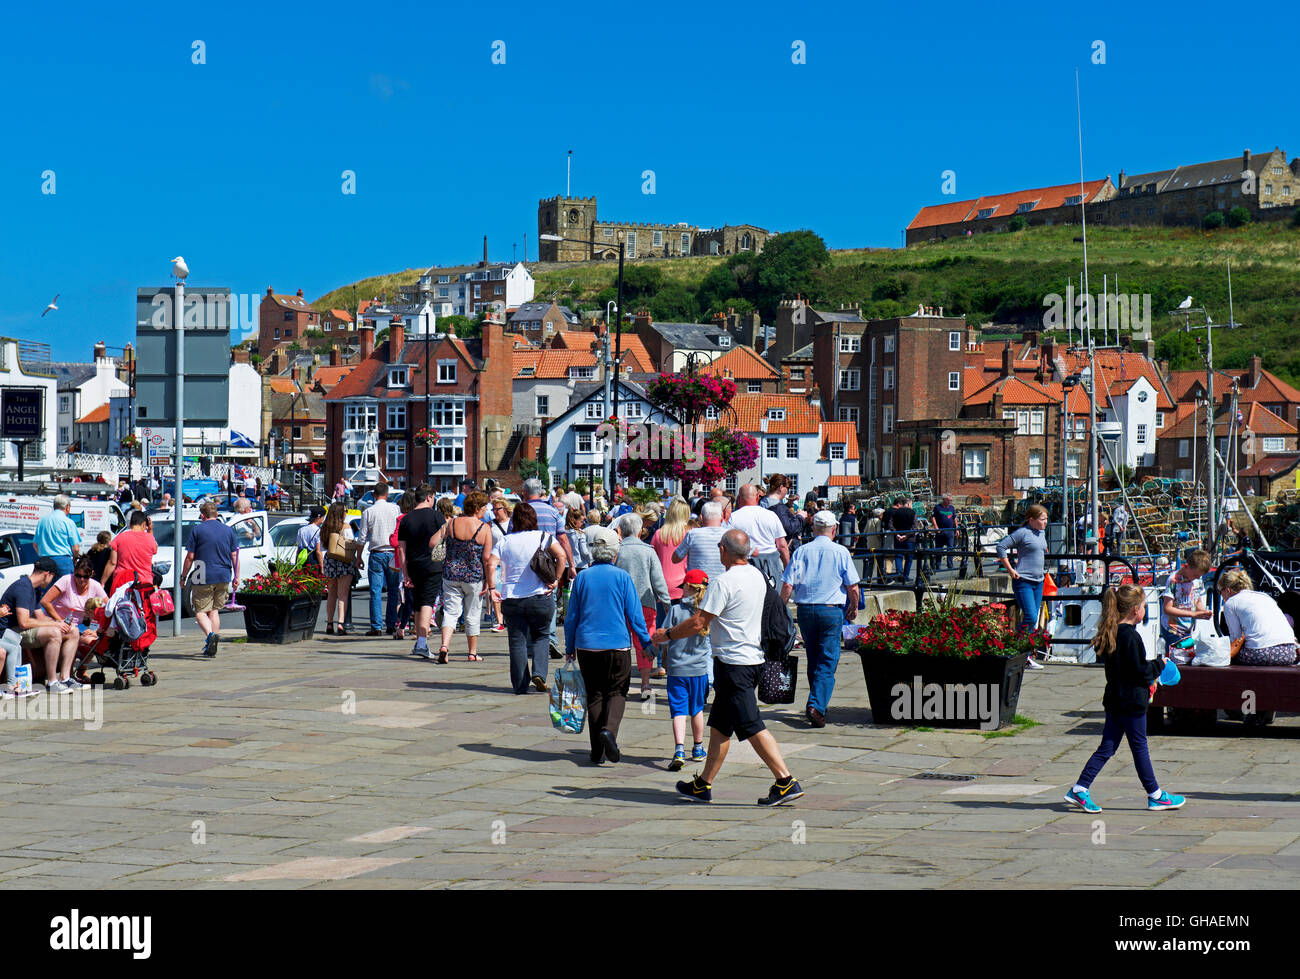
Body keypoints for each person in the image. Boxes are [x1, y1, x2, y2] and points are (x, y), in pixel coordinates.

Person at [655, 529, 804, 806]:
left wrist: (668, 634)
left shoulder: (724, 582)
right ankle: (703, 785)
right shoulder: (757, 575)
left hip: (735, 665)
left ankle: (785, 781)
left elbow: (699, 622)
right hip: (750, 660)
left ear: (723, 550)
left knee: (751, 724)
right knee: (721, 726)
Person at [1064, 584, 1185, 813]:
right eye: (1144, 607)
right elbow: (1140, 671)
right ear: (1135, 610)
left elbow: (1127, 667)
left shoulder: (1112, 632)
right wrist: (1160, 664)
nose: (1144, 611)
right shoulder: (1131, 636)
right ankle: (1155, 795)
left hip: (1115, 700)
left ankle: (1080, 788)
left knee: (1107, 747)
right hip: (1131, 702)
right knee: (1139, 748)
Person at [563, 526, 652, 763]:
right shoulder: (622, 577)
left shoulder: (582, 578)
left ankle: (597, 752)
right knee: (617, 691)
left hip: (587, 645)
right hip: (617, 645)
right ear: (614, 553)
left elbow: (571, 617)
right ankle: (609, 731)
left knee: (594, 694)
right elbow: (635, 616)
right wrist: (646, 642)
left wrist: (569, 647)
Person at [781, 510, 861, 727]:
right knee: (828, 659)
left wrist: (780, 609)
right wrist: (853, 607)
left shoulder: (801, 551)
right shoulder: (841, 552)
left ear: (814, 528)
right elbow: (853, 586)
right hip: (830, 609)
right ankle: (816, 705)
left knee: (813, 657)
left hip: (806, 610)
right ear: (834, 529)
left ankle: (816, 702)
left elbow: (788, 584)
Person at [485, 502, 566, 694]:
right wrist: (556, 580)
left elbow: (490, 563)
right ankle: (539, 673)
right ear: (534, 519)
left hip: (512, 598)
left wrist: (492, 587)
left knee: (517, 641)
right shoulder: (543, 537)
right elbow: (561, 556)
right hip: (540, 596)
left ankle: (521, 684)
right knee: (542, 636)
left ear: (515, 520)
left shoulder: (505, 541)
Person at [656, 568, 711, 771]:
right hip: (699, 670)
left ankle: (679, 749)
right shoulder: (706, 614)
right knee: (697, 710)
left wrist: (654, 647)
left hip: (677, 669)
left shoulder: (675, 610)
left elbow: (663, 638)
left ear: (687, 587)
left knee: (679, 711)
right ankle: (698, 747)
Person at [1, 557, 80, 693]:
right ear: (47, 574)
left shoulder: (34, 589)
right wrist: (55, 626)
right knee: (53, 633)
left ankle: (65, 678)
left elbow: (40, 617)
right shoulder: (23, 588)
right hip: (9, 633)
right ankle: (52, 682)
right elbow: (24, 622)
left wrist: (59, 623)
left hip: (20, 629)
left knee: (73, 631)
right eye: (52, 577)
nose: (51, 581)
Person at [615, 514, 670, 701]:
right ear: (640, 531)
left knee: (621, 644)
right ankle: (645, 684)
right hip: (645, 602)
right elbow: (658, 581)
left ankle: (620, 683)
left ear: (621, 531)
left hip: (621, 604)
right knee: (644, 643)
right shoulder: (648, 551)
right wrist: (667, 603)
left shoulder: (617, 550)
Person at [433, 491, 493, 662]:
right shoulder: (484, 528)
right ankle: (472, 653)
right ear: (477, 508)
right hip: (474, 577)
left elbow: (432, 542)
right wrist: (489, 581)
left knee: (451, 612)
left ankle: (444, 646)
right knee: (472, 614)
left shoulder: (451, 523)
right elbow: (486, 558)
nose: (485, 510)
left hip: (451, 574)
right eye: (484, 507)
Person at [996, 503, 1049, 670]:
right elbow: (1001, 546)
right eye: (1042, 519)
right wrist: (1010, 570)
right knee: (1031, 617)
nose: (1045, 522)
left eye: (1046, 519)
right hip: (1023, 580)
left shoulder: (1041, 532)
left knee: (1033, 621)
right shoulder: (1022, 532)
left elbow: (1038, 549)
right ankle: (1015, 650)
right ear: (1031, 520)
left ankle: (1025, 656)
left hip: (1038, 581)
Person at [182, 501, 239, 657]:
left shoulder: (197, 530)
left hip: (202, 572)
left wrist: (183, 576)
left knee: (200, 611)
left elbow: (190, 557)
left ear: (202, 515)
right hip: (223, 573)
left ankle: (210, 636)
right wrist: (236, 576)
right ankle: (212, 645)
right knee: (214, 610)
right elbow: (234, 555)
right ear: (216, 514)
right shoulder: (228, 530)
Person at [397, 485, 446, 658]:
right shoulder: (436, 516)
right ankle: (422, 643)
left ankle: (419, 642)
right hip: (433, 565)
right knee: (427, 602)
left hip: (413, 565)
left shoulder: (406, 519)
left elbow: (401, 549)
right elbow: (444, 539)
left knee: (418, 603)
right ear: (428, 497)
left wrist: (405, 573)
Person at [1217, 569, 1299, 665]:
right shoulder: (1265, 596)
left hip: (1261, 654)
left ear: (1227, 590)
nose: (1221, 596)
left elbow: (1236, 639)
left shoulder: (1231, 603)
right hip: (1288, 653)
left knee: (1226, 656)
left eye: (1220, 592)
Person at [724, 484, 790, 586]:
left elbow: (728, 544)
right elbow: (782, 546)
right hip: (771, 563)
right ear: (757, 497)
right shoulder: (771, 515)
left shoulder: (733, 517)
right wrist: (787, 569)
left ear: (739, 498)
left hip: (745, 564)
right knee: (773, 594)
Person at [358, 482, 401, 637]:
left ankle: (376, 626)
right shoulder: (395, 509)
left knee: (375, 591)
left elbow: (362, 538)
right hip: (393, 553)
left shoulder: (368, 512)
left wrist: (358, 557)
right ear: (387, 494)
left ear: (374, 495)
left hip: (376, 553)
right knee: (393, 591)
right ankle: (391, 624)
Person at [1159, 548, 1213, 655]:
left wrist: (1203, 612)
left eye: (1199, 576)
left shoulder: (1197, 580)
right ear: (1187, 566)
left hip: (1188, 629)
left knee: (1187, 657)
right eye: (1195, 575)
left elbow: (1197, 601)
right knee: (1176, 659)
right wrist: (1193, 614)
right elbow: (1167, 608)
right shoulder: (1173, 580)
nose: (1196, 578)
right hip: (1173, 629)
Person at [39, 557, 107, 633]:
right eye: (78, 575)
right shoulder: (66, 580)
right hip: (56, 622)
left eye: (85, 577)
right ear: (74, 571)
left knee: (90, 638)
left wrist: (96, 628)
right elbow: (45, 601)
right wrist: (60, 621)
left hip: (78, 627)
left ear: (92, 574)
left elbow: (108, 606)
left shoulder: (95, 586)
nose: (81, 580)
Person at [321, 502, 359, 636]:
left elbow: (322, 547)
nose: (346, 513)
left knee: (331, 594)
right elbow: (350, 543)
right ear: (340, 513)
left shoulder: (325, 527)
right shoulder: (346, 526)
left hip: (330, 560)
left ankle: (329, 623)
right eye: (345, 510)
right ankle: (341, 623)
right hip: (344, 560)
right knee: (343, 594)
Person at [104, 510, 158, 594]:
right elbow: (155, 549)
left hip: (122, 583)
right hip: (144, 584)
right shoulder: (150, 538)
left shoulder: (119, 538)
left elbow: (112, 563)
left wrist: (102, 582)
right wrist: (150, 530)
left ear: (130, 524)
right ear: (144, 524)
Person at [672, 500, 727, 580]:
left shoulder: (692, 534)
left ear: (701, 518)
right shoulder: (729, 534)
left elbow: (675, 559)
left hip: (697, 584)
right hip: (722, 583)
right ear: (721, 518)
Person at [34, 495, 82, 578]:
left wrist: (42, 555)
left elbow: (35, 544)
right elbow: (76, 548)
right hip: (63, 561)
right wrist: (74, 560)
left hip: (44, 560)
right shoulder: (68, 522)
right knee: (65, 585)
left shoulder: (42, 521)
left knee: (46, 586)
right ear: (67, 507)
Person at [391, 492, 418, 640]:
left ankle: (402, 626)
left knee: (406, 597)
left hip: (405, 562)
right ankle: (419, 626)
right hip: (420, 560)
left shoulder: (402, 519)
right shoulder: (419, 517)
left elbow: (395, 541)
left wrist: (390, 537)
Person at [889, 496, 919, 582]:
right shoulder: (913, 512)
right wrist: (906, 535)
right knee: (909, 558)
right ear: (908, 504)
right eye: (911, 504)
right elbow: (915, 527)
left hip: (898, 538)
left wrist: (897, 534)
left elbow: (890, 525)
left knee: (899, 556)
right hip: (909, 539)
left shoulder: (895, 512)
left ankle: (899, 574)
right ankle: (905, 576)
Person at [930, 494, 958, 571]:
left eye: (950, 500)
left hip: (950, 531)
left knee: (950, 548)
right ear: (944, 499)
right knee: (939, 548)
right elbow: (933, 517)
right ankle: (937, 565)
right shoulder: (937, 507)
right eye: (948, 500)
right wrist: (936, 527)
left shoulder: (952, 508)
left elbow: (954, 518)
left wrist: (957, 529)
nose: (950, 502)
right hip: (940, 531)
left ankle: (950, 565)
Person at [296, 506, 326, 571]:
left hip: (303, 560)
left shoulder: (301, 530)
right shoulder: (318, 531)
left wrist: (297, 563)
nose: (323, 520)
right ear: (318, 518)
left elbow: (298, 549)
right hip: (313, 560)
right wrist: (322, 567)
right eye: (323, 518)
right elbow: (318, 551)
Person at [864, 507, 889, 582]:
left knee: (871, 563)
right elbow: (878, 532)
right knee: (880, 563)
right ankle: (880, 579)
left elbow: (865, 532)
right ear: (880, 515)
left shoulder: (869, 521)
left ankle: (869, 578)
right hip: (877, 544)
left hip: (869, 543)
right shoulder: (879, 521)